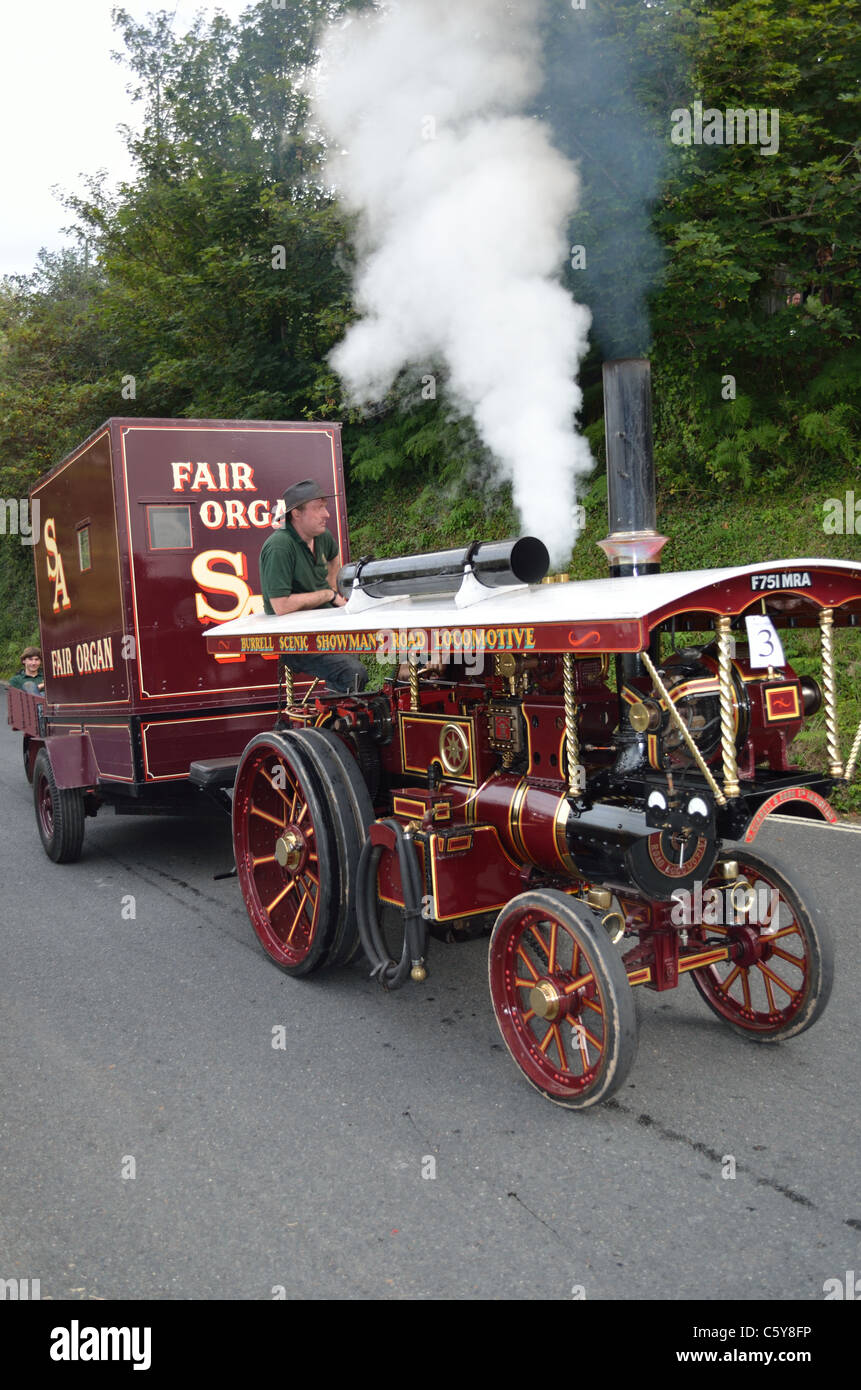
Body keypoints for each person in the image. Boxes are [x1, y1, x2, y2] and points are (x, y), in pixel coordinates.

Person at [259, 479, 368, 693]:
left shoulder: (323, 536)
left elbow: (335, 558)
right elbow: (280, 606)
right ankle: (336, 721)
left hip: (327, 630)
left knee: (360, 672)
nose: (326, 514)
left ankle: (337, 717)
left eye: (325, 507)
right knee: (353, 673)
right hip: (297, 641)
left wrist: (335, 590)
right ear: (296, 514)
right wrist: (328, 594)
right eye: (319, 508)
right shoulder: (279, 546)